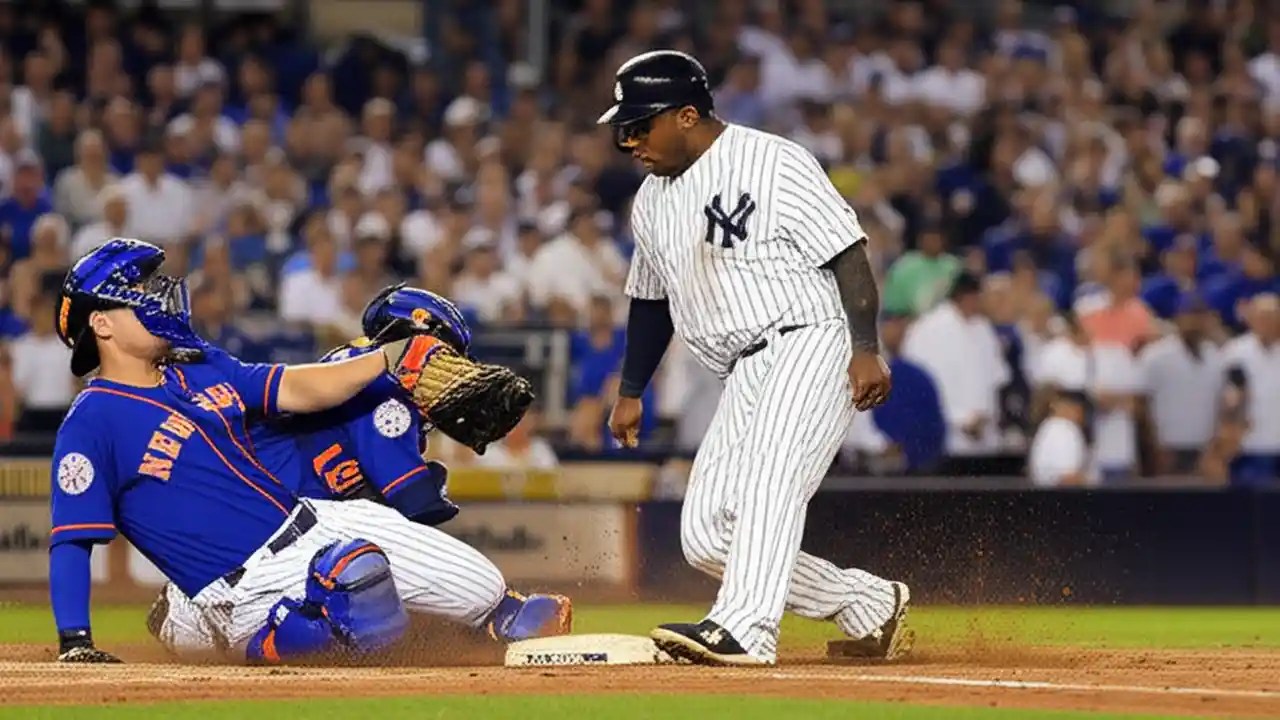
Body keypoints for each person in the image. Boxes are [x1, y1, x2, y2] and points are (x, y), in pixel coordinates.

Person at [49, 240, 562, 664]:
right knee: (360, 589)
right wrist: (76, 642)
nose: (157, 299)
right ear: (102, 324)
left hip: (318, 520)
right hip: (239, 582)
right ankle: (277, 634)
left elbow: (302, 387)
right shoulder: (93, 419)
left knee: (486, 589)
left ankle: (487, 628)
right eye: (137, 294)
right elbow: (72, 540)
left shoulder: (198, 367)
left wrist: (388, 357)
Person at [598, 50, 909, 667]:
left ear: (686, 116)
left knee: (771, 482)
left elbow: (847, 252)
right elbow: (651, 302)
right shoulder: (651, 201)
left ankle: (745, 629)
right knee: (707, 535)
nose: (629, 138)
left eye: (640, 124)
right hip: (743, 369)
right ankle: (868, 603)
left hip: (812, 337)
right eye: (623, 127)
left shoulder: (773, 160)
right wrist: (632, 388)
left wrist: (866, 347)